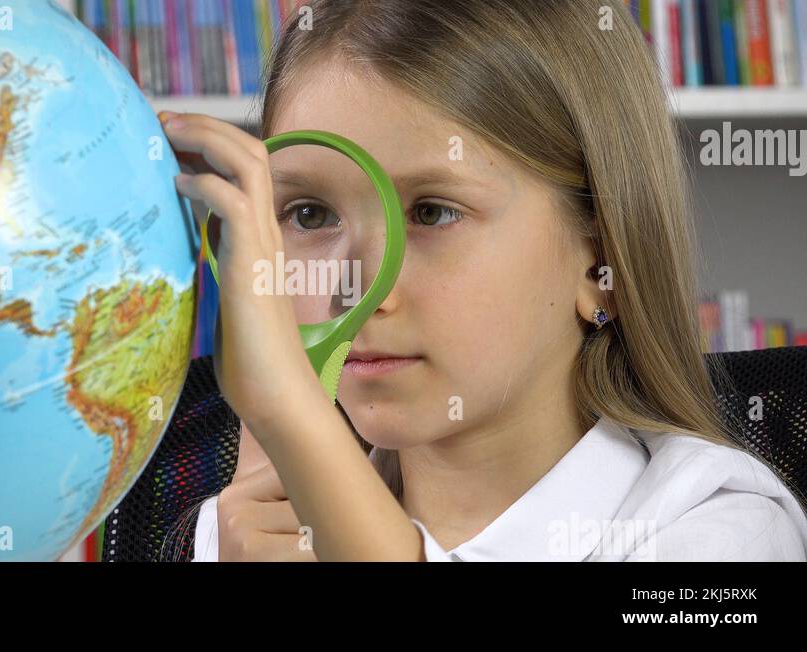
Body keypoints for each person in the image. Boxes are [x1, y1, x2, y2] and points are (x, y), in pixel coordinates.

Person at [159, 0, 807, 561]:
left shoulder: (723, 533)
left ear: (601, 262)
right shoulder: (242, 532)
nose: (353, 291)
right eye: (308, 214)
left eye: (433, 213)